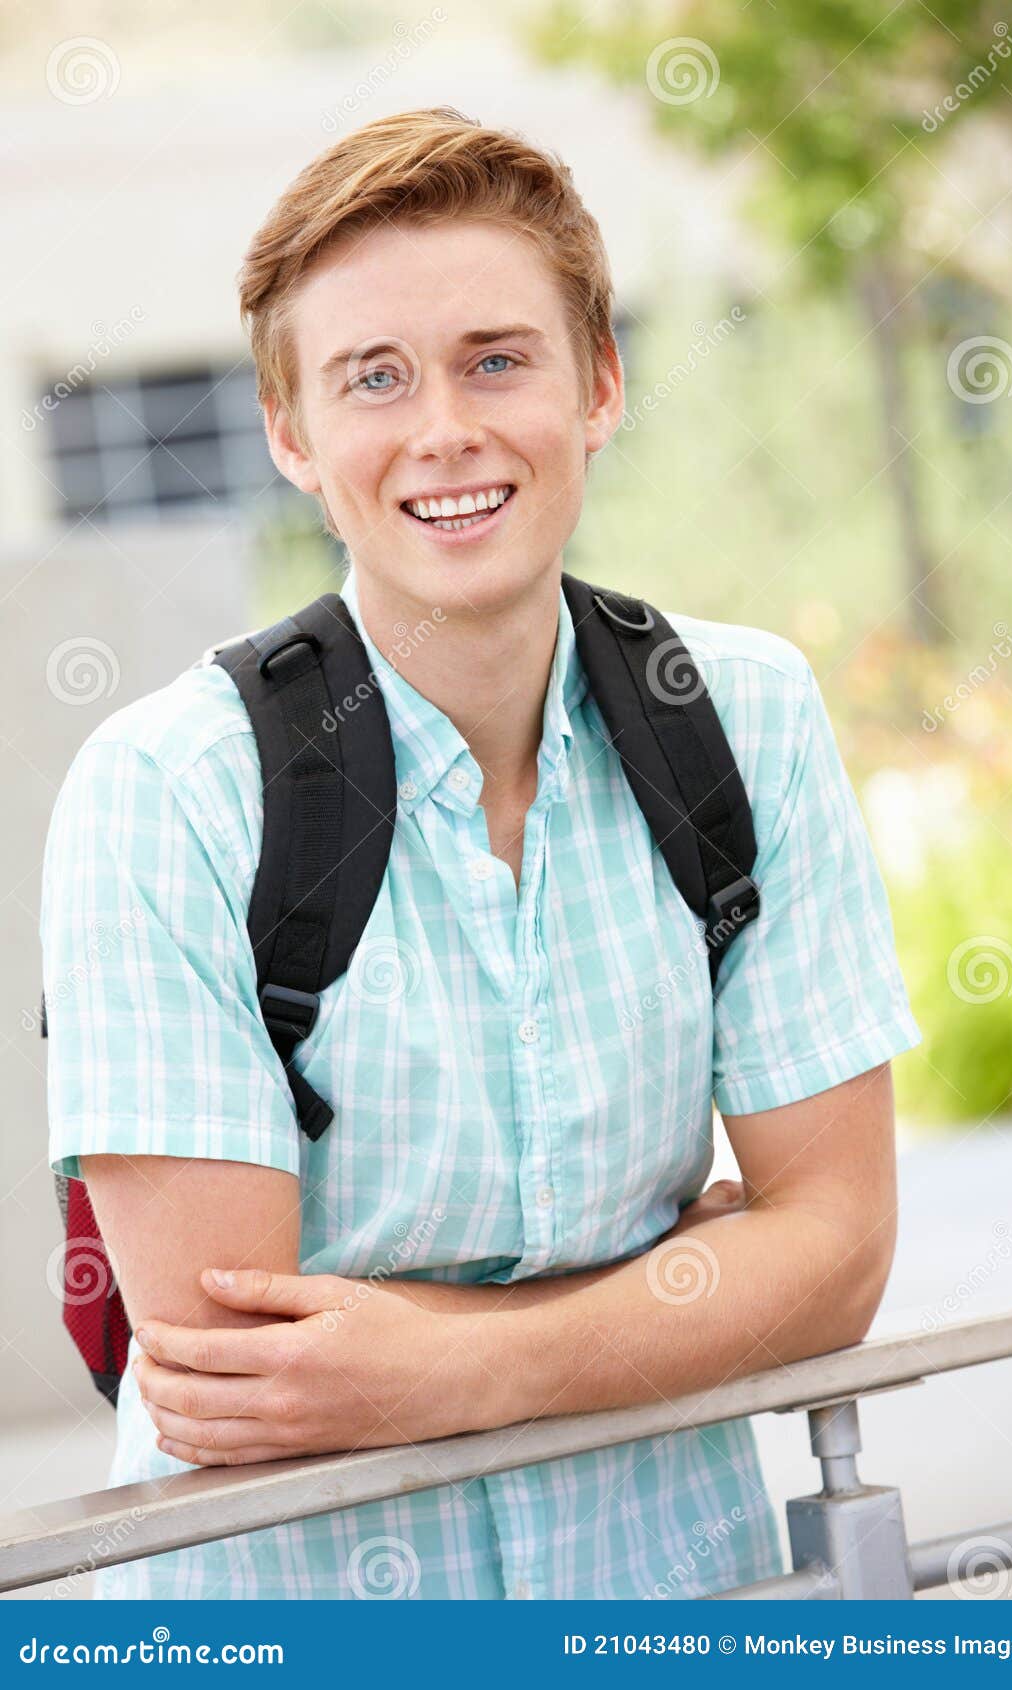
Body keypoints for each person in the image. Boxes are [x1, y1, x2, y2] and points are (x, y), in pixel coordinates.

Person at [40, 106, 922, 1601]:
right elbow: (247, 1376)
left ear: (601, 385)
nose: (444, 427)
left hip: (676, 1605)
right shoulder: (169, 790)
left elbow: (838, 1250)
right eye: (373, 378)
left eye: (496, 358)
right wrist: (685, 1280)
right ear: (293, 436)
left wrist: (446, 1361)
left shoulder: (746, 722)